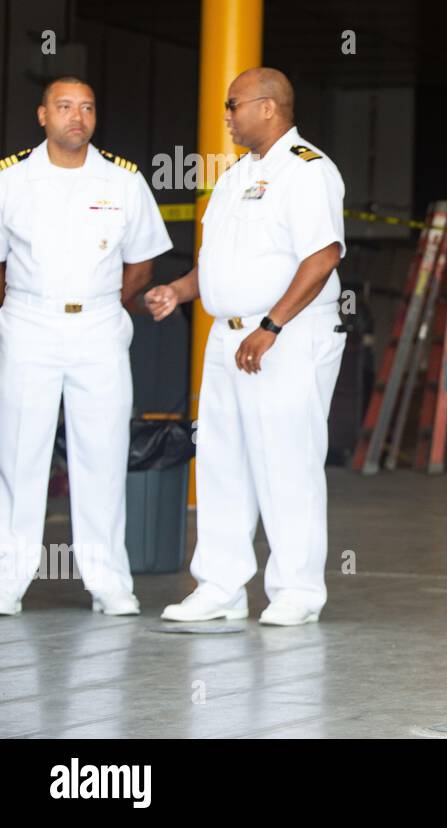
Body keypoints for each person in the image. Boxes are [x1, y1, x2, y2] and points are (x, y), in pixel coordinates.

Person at [147, 67, 347, 627]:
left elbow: (324, 255)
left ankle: (297, 591)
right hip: (228, 335)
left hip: (287, 335)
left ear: (267, 107)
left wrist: (272, 326)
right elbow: (220, 262)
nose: (227, 115)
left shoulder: (308, 171)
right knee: (221, 459)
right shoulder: (237, 175)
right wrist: (181, 291)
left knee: (286, 458)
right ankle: (221, 587)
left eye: (233, 104)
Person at [0, 76, 172, 616]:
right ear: (42, 116)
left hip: (99, 325)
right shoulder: (11, 180)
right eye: (65, 106)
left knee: (101, 454)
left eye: (88, 108)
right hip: (29, 321)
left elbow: (143, 259)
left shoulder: (121, 180)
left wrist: (108, 306)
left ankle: (109, 582)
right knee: (19, 455)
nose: (78, 116)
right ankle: (9, 578)